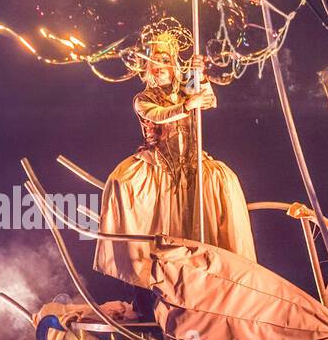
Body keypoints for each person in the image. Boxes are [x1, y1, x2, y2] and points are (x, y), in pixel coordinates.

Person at [93, 21, 256, 301]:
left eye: (165, 59)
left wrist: (199, 74)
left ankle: (215, 282)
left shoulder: (185, 88)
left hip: (192, 166)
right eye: (154, 60)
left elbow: (206, 99)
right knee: (122, 184)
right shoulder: (142, 98)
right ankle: (144, 279)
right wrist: (185, 106)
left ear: (173, 63)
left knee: (225, 182)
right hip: (158, 166)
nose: (159, 65)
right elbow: (158, 115)